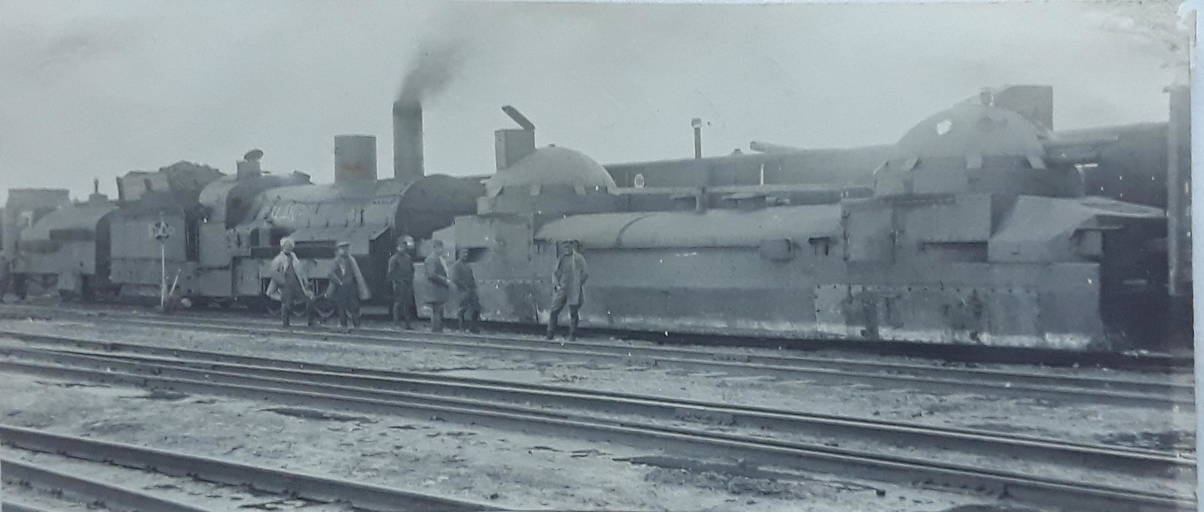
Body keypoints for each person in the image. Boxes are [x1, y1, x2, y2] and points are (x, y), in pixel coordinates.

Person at [266, 238, 315, 328]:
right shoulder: (278, 259)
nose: (288, 247)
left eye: (290, 246)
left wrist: (305, 281)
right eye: (287, 245)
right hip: (286, 285)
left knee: (310, 299)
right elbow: (273, 271)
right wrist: (282, 281)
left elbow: (300, 271)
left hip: (297, 285)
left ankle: (311, 322)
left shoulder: (295, 258)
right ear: (283, 246)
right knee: (286, 303)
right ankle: (285, 324)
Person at [547, 239, 588, 341]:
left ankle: (572, 335)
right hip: (563, 288)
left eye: (568, 245)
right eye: (564, 245)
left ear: (572, 245)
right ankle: (550, 334)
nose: (566, 247)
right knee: (554, 310)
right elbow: (555, 273)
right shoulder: (561, 258)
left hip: (574, 288)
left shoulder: (579, 258)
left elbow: (585, 273)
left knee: (573, 312)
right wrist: (557, 284)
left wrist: (578, 284)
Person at [326, 240, 370, 331]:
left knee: (354, 306)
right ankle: (343, 324)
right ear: (339, 250)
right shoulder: (336, 261)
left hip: (351, 286)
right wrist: (339, 282)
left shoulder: (351, 260)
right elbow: (330, 273)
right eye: (343, 248)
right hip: (341, 287)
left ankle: (356, 325)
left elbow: (357, 273)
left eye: (346, 248)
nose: (345, 250)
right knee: (341, 306)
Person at [386, 236, 417, 330]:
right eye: (401, 246)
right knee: (398, 304)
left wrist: (410, 280)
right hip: (398, 284)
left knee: (407, 304)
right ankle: (396, 323)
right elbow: (391, 273)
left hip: (408, 284)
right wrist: (396, 282)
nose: (403, 248)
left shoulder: (408, 258)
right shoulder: (393, 259)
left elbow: (412, 270)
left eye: (404, 246)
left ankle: (408, 324)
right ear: (397, 247)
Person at [449, 248, 480, 333]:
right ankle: (461, 327)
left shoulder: (467, 265)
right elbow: (455, 279)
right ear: (459, 255)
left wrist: (474, 287)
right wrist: (463, 287)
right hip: (462, 290)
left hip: (471, 290)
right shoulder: (456, 265)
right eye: (463, 253)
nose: (465, 255)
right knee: (462, 309)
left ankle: (473, 327)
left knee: (476, 308)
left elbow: (471, 278)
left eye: (466, 253)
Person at [424, 239, 451, 333]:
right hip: (435, 289)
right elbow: (431, 274)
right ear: (434, 248)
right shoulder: (431, 259)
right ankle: (436, 330)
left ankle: (438, 329)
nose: (441, 250)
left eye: (441, 247)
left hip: (438, 289)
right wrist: (445, 280)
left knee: (439, 310)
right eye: (439, 248)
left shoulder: (439, 258)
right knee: (436, 310)